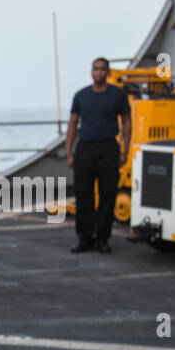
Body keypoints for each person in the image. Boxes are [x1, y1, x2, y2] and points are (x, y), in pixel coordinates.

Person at [67, 57, 130, 254]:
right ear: (91, 72)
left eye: (102, 69)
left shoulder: (118, 95)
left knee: (107, 195)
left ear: (108, 73)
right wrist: (69, 152)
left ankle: (103, 239)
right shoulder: (81, 95)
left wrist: (125, 150)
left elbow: (127, 123)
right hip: (85, 148)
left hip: (108, 148)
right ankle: (84, 239)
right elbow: (72, 124)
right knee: (83, 194)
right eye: (95, 69)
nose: (99, 73)